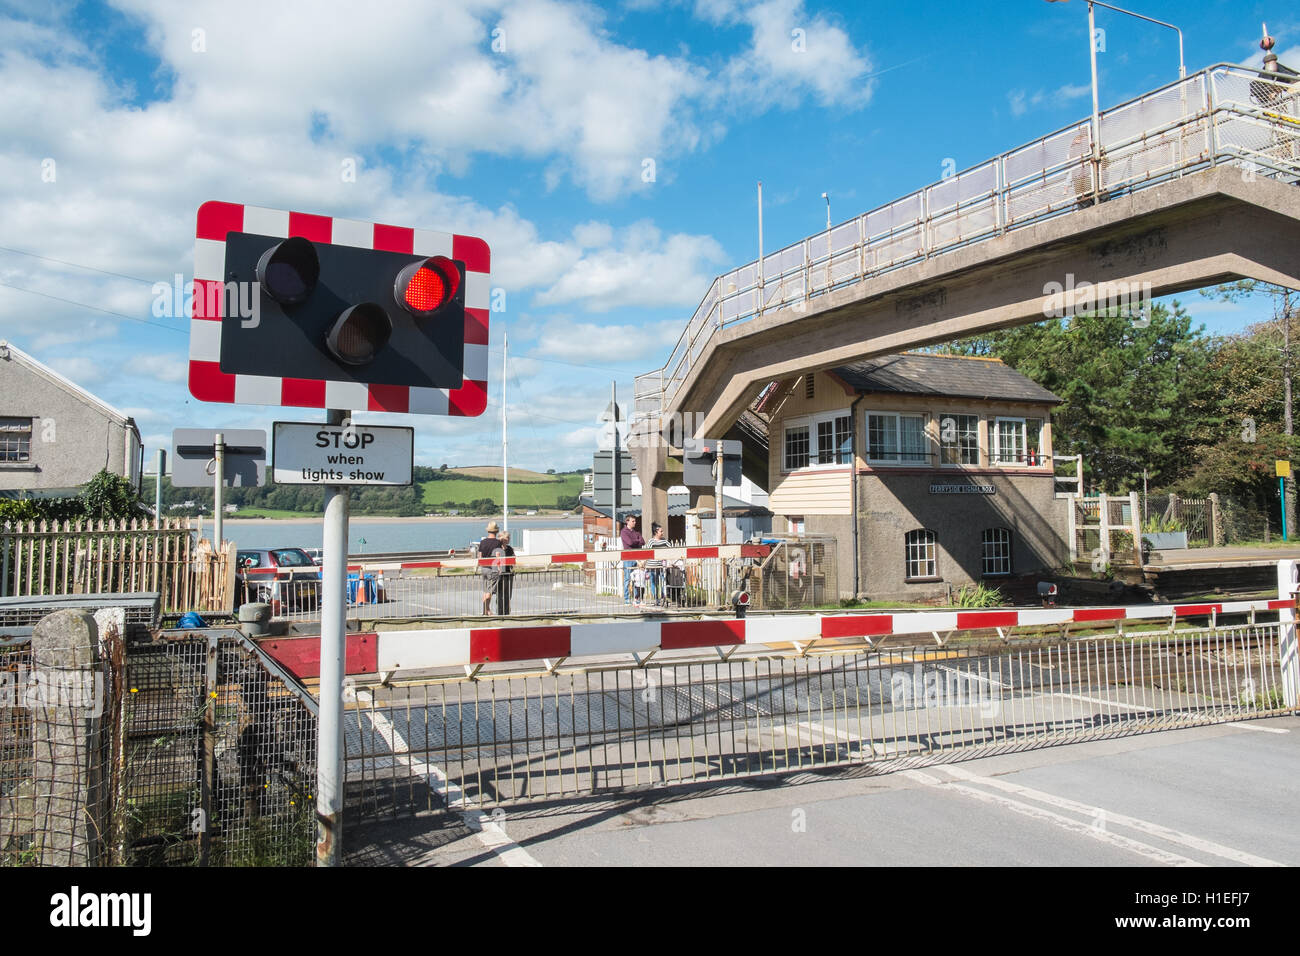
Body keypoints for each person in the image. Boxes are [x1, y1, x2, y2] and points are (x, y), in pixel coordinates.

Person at [478, 520, 503, 614]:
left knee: (485, 590)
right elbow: (498, 556)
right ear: (496, 531)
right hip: (493, 569)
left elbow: (480, 556)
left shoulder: (483, 542)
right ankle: (487, 609)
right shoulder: (497, 543)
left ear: (488, 531)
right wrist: (500, 568)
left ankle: (484, 611)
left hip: (483, 568)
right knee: (490, 591)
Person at [619, 514, 644, 604]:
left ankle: (636, 598)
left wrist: (635, 541)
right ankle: (627, 598)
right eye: (633, 521)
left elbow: (642, 541)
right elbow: (629, 542)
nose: (635, 523)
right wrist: (636, 541)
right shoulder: (624, 532)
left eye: (635, 521)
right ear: (627, 521)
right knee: (627, 579)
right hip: (628, 557)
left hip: (636, 557)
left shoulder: (636, 532)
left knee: (637, 579)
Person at [646, 524, 669, 606]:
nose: (662, 532)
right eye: (661, 531)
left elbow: (671, 550)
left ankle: (663, 597)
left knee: (664, 581)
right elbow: (647, 552)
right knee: (654, 583)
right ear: (656, 532)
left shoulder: (665, 541)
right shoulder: (651, 542)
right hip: (652, 566)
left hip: (661, 566)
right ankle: (656, 598)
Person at [495, 532, 515, 616]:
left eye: (509, 537)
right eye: (507, 538)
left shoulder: (510, 548)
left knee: (508, 594)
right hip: (500, 574)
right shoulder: (497, 548)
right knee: (500, 594)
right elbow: (496, 560)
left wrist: (513, 567)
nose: (508, 539)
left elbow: (514, 558)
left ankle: (506, 612)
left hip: (508, 573)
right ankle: (500, 612)